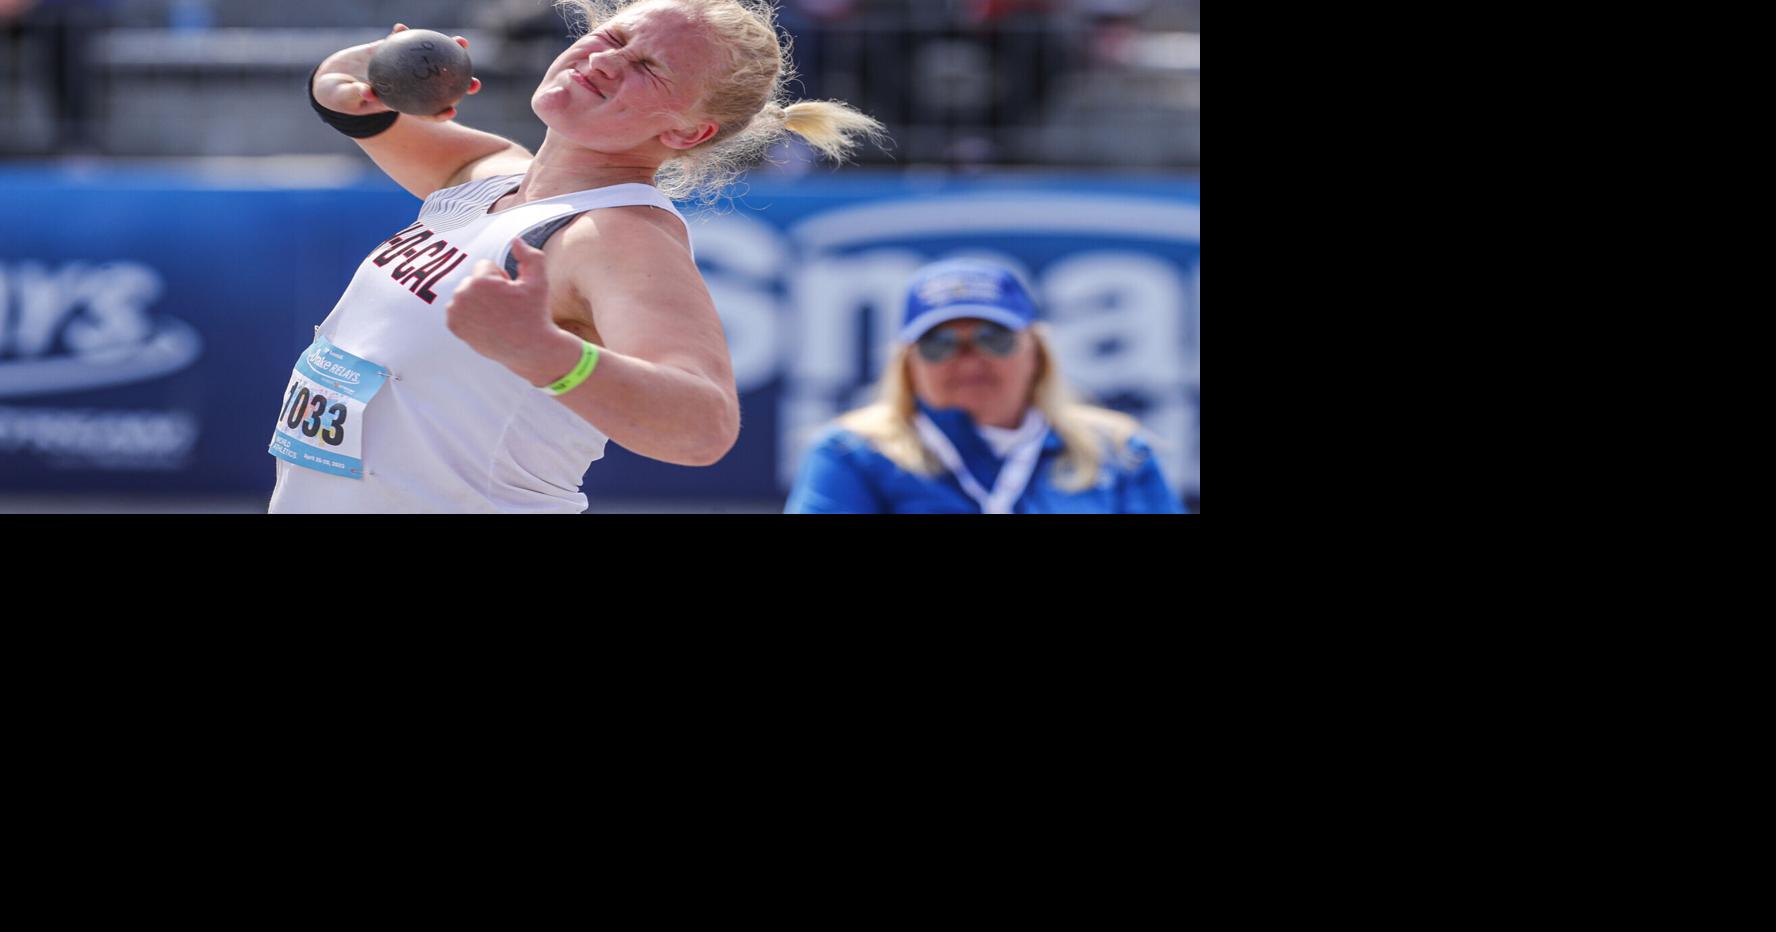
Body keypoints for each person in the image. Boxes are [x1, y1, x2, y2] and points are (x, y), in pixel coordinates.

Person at [267, 0, 883, 513]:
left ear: (686, 133)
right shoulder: (485, 176)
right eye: (613, 35)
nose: (607, 59)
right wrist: (341, 79)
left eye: (648, 66)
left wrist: (546, 353)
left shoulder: (615, 236)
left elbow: (704, 427)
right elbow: (359, 110)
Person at [784, 258, 1187, 514]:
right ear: (908, 365)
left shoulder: (1119, 453)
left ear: (1038, 353)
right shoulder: (852, 454)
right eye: (939, 343)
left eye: (994, 338)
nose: (969, 357)